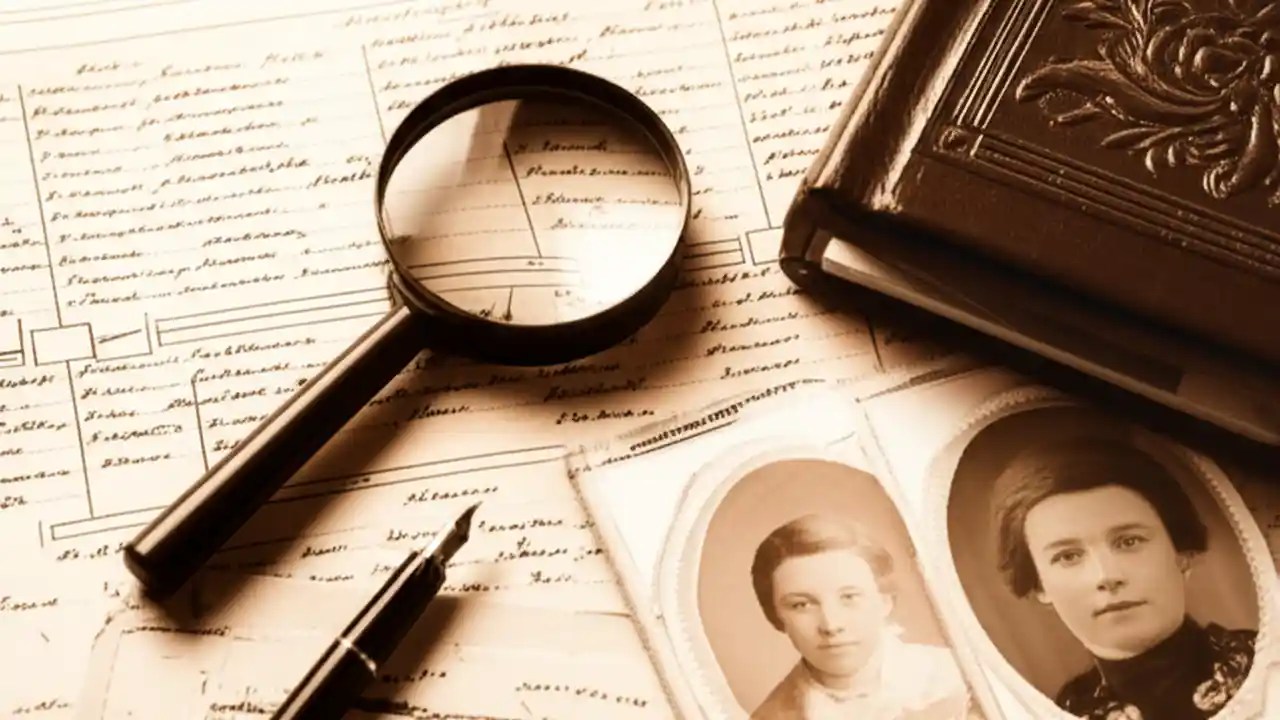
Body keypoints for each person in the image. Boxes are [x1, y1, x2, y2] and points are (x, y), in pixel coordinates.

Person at [993, 434, 1257, 719]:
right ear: (1039, 584)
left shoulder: (1260, 661)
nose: (1107, 576)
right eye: (1068, 557)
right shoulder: (1062, 711)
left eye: (1129, 542)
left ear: (1181, 552)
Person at [748, 513, 975, 720]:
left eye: (849, 597)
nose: (831, 625)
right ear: (776, 617)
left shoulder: (960, 677)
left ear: (885, 601)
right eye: (801, 605)